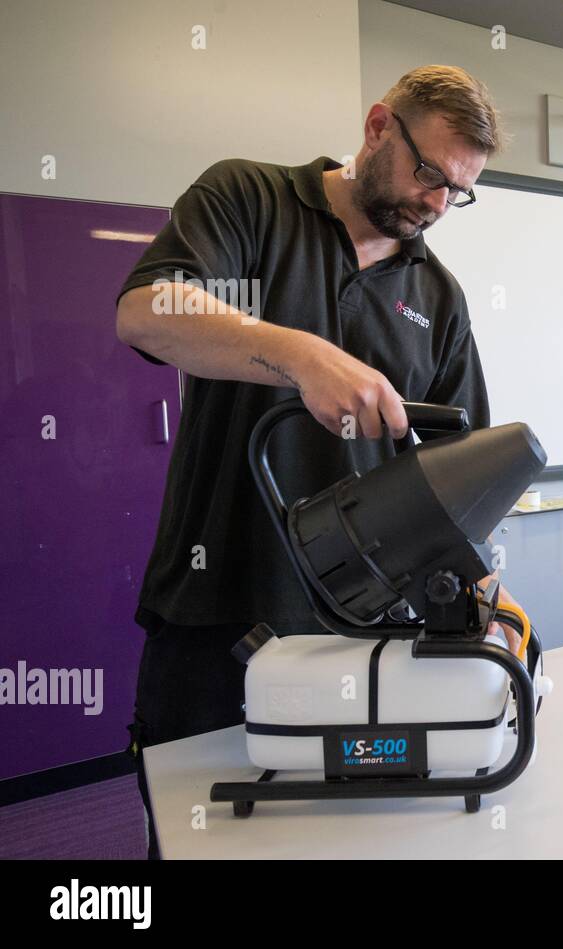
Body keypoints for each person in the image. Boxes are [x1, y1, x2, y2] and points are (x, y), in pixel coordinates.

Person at [115, 65, 516, 858]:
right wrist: (299, 355)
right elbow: (145, 313)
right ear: (377, 128)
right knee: (195, 837)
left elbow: (457, 477)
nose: (436, 204)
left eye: (457, 192)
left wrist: (487, 607)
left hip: (359, 636)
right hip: (213, 611)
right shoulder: (248, 200)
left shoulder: (438, 298)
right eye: (429, 173)